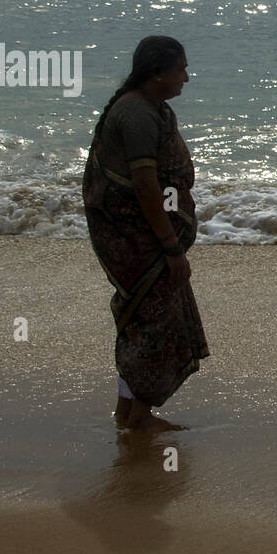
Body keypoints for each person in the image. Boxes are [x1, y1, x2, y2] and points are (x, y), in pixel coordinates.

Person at [81, 36, 209, 431]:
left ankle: (128, 410)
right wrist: (170, 247)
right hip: (137, 239)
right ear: (157, 73)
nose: (186, 77)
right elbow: (145, 187)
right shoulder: (136, 115)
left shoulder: (149, 108)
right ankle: (139, 416)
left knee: (140, 317)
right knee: (153, 322)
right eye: (180, 69)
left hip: (143, 237)